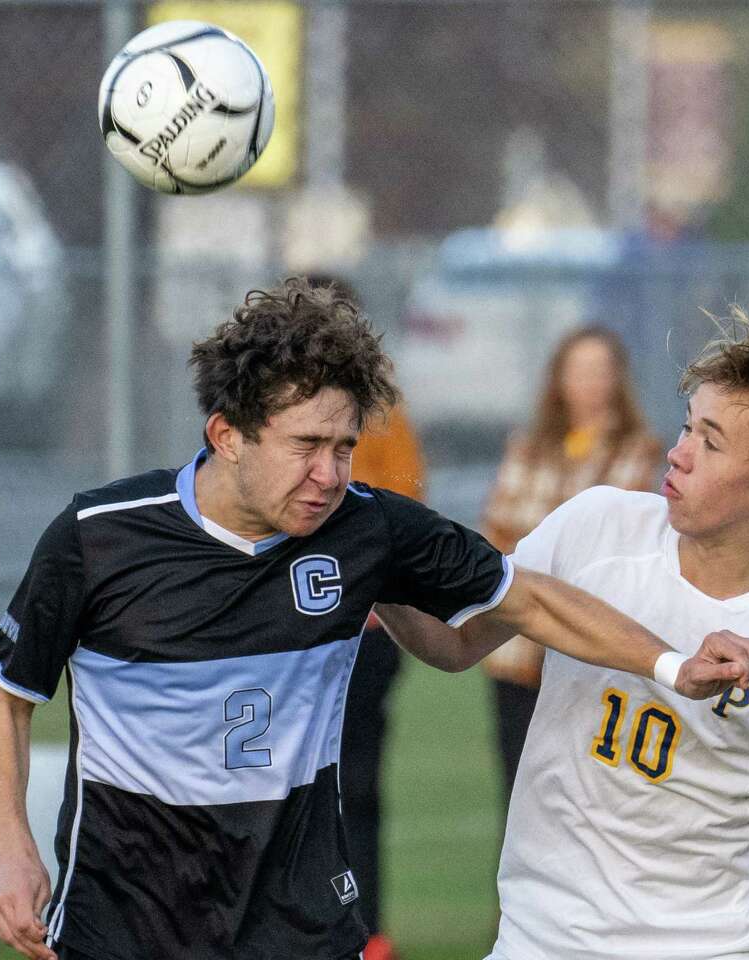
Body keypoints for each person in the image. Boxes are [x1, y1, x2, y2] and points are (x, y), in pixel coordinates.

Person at [0, 278, 749, 960]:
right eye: (306, 444)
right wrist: (11, 855)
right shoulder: (99, 538)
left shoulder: (366, 527)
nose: (329, 474)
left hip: (300, 923)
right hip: (125, 924)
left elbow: (523, 601)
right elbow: (3, 697)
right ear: (226, 436)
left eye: (346, 446)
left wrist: (674, 664)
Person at [378, 302, 749, 960]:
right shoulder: (594, 527)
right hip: (539, 942)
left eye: (712, 441)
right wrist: (368, 565)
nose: (678, 453)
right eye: (687, 426)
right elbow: (455, 644)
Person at [480, 326, 665, 802]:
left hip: (595, 654)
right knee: (520, 793)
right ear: (558, 379)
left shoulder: (641, 454)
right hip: (518, 654)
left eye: (601, 372)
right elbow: (497, 534)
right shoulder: (529, 448)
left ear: (618, 380)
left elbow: (627, 550)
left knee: (589, 797)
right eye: (579, 371)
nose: (590, 384)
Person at [307, 275, 425, 960]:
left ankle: (365, 931)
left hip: (363, 629)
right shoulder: (268, 411)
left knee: (357, 780)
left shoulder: (379, 410)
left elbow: (403, 502)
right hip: (286, 631)